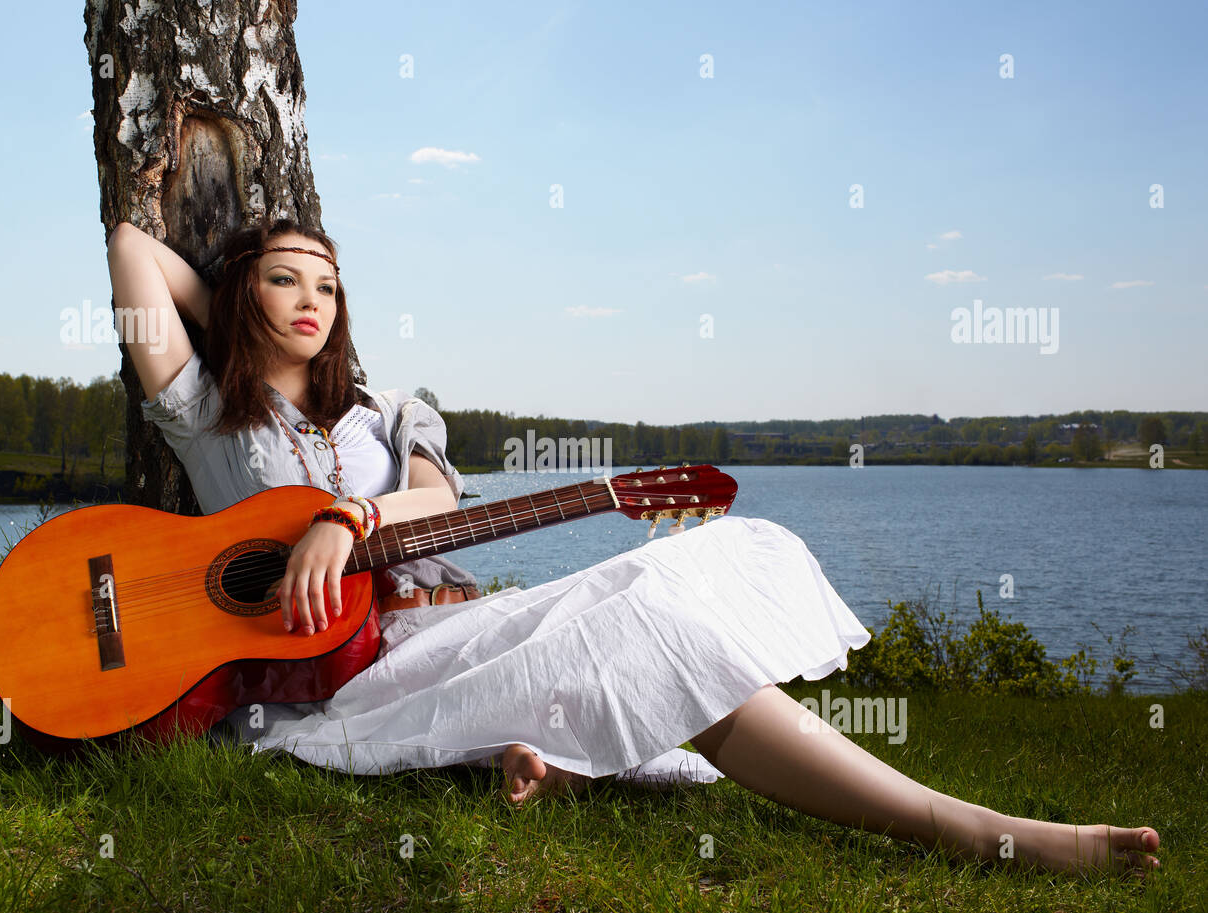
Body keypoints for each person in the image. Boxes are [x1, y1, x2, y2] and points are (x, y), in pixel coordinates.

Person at [106, 217, 1161, 879]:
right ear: (244, 291)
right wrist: (232, 290)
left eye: (328, 287)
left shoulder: (389, 414)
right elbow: (130, 248)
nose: (311, 303)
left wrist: (350, 517)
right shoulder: (204, 414)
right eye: (287, 282)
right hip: (322, 683)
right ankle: (962, 830)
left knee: (662, 621)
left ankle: (966, 825)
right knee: (648, 662)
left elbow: (426, 507)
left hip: (441, 628)